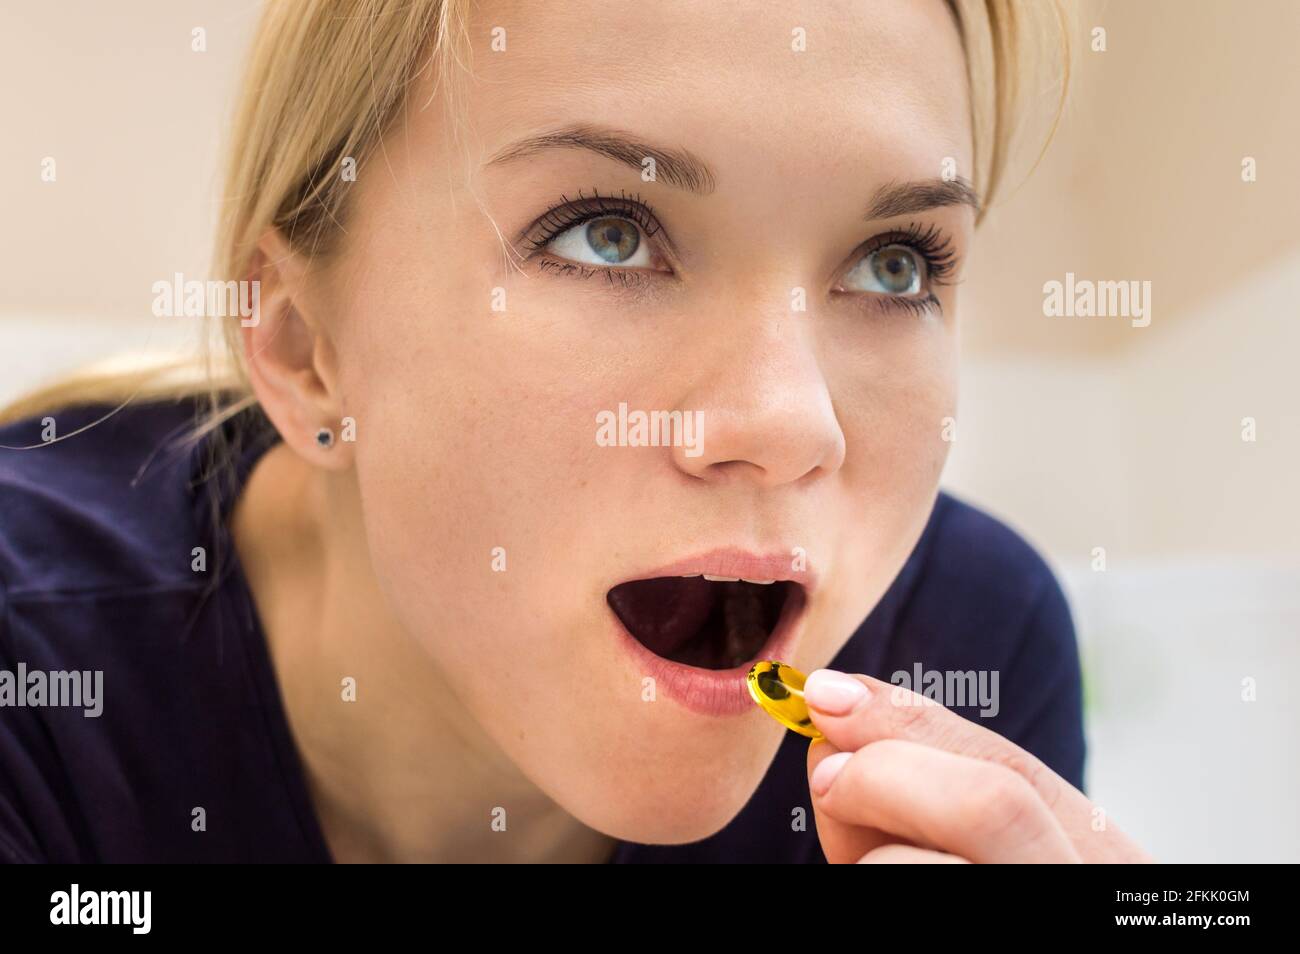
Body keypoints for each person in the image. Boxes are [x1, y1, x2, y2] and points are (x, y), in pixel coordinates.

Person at [0, 0, 1152, 862]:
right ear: (304, 347)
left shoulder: (968, 640)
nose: (792, 427)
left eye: (894, 264)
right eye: (607, 232)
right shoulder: (38, 689)